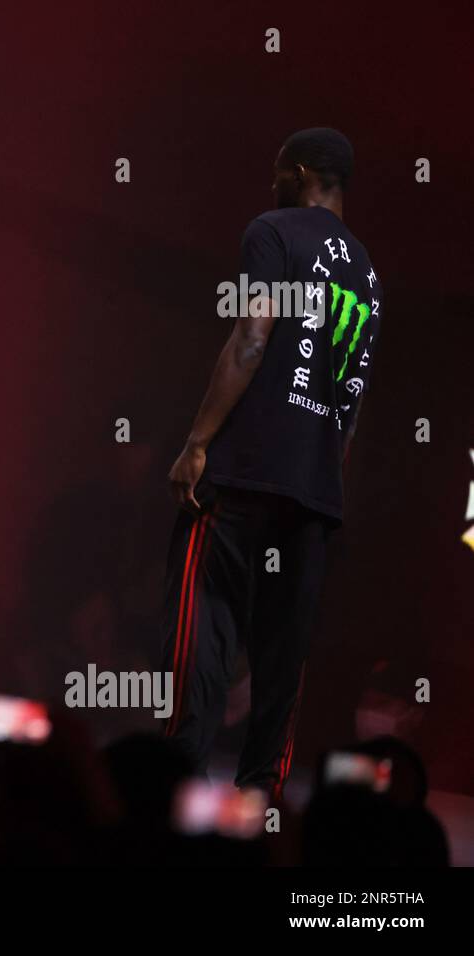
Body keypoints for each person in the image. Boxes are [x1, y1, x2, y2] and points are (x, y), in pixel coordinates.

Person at [161, 128, 382, 799]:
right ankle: (261, 807)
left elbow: (251, 339)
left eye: (278, 170)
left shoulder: (274, 231)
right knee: (283, 662)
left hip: (242, 475)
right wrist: (323, 479)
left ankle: (175, 799)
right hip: (313, 493)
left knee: (201, 638)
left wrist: (197, 442)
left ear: (302, 172)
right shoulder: (368, 276)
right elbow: (350, 403)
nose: (271, 183)